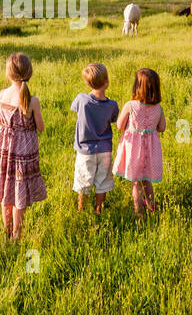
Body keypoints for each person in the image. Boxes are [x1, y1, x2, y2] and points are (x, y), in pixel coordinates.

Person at [0, 52, 47, 238]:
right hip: (24, 151)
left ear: (8, 73)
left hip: (4, 149)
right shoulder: (32, 100)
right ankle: (17, 235)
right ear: (30, 72)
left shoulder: (3, 94)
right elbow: (41, 127)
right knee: (19, 189)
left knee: (6, 188)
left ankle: (7, 230)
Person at [112, 68, 165, 215]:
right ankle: (152, 207)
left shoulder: (130, 106)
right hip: (151, 150)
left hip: (133, 149)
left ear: (137, 86)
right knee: (147, 180)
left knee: (136, 182)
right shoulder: (158, 108)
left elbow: (119, 125)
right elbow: (162, 127)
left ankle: (139, 212)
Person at [70, 63, 119, 214]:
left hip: (85, 150)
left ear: (88, 83)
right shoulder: (112, 105)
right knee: (103, 181)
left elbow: (74, 109)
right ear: (107, 81)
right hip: (105, 149)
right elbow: (113, 119)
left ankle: (81, 209)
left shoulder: (81, 99)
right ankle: (99, 209)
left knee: (84, 179)